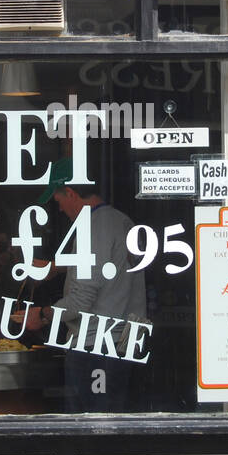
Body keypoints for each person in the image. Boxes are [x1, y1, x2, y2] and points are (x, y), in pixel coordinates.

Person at [23, 159, 147, 411]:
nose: (59, 210)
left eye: (58, 201)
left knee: (89, 434)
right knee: (113, 429)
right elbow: (106, 268)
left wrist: (42, 315)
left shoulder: (91, 227)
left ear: (71, 193)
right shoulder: (119, 221)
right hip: (122, 345)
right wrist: (55, 268)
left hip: (95, 347)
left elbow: (82, 299)